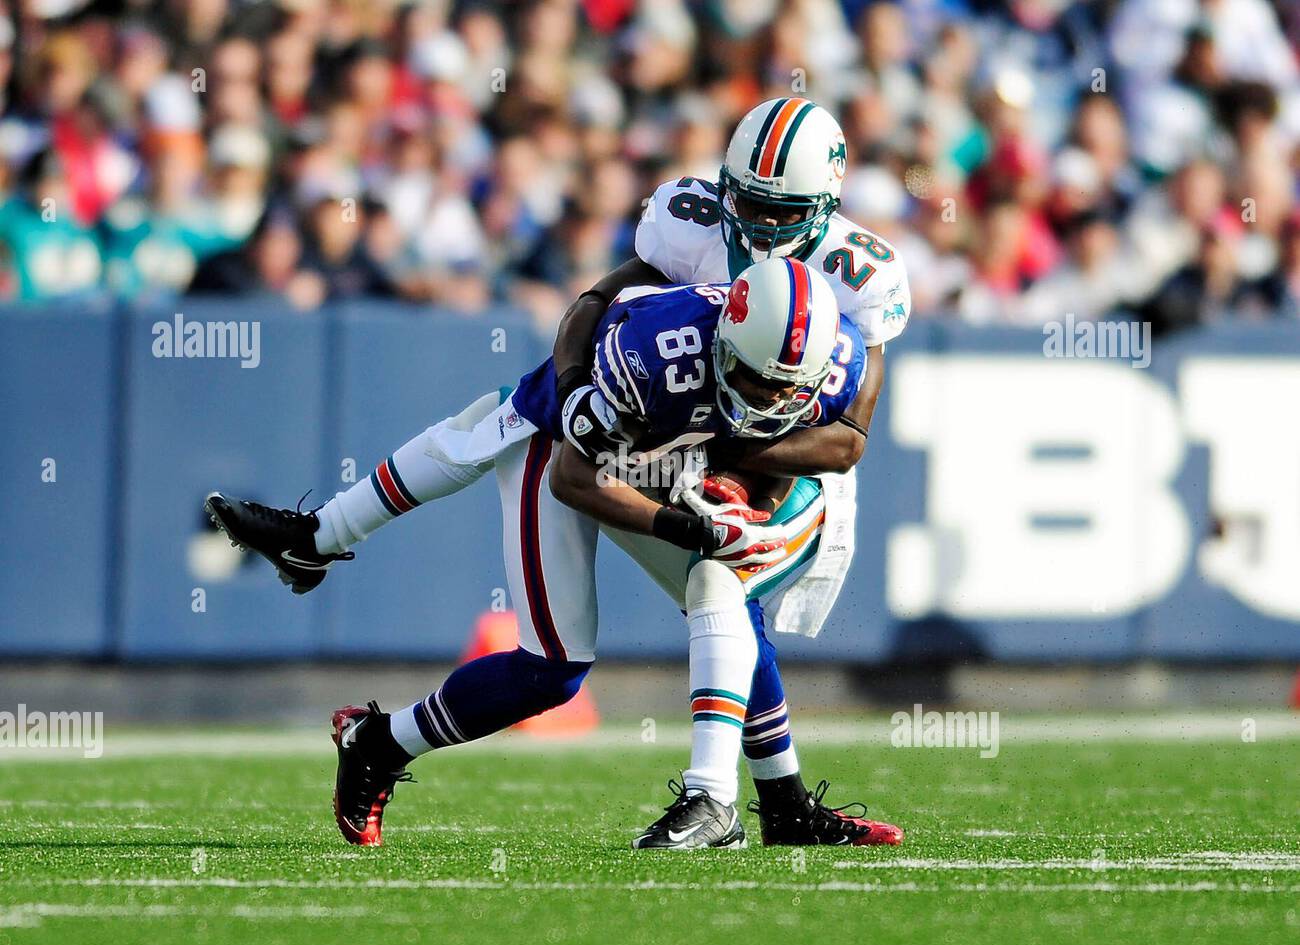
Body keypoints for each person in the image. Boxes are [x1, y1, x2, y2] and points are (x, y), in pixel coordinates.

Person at [207, 98, 911, 847]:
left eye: (786, 213)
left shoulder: (846, 317)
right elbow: (587, 372)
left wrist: (717, 462)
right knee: (544, 616)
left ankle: (765, 805)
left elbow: (844, 442)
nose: (764, 229)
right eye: (751, 205)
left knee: (728, 587)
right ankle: (346, 629)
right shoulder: (658, 345)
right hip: (618, 428)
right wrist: (589, 398)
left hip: (701, 446)